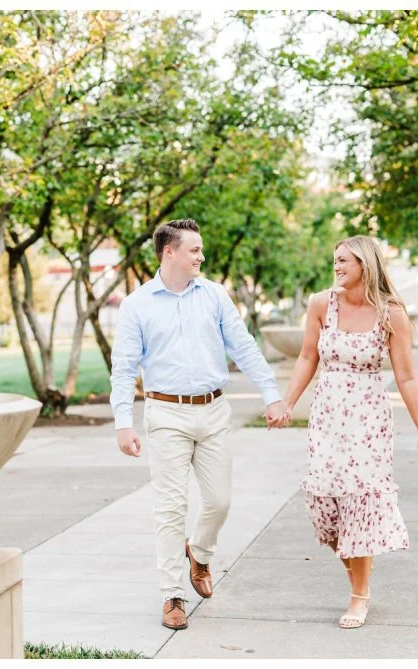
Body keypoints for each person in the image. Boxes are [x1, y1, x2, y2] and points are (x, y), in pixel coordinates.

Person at [110, 219, 289, 631]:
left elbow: (243, 345)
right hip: (166, 413)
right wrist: (123, 421)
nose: (201, 257)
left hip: (213, 411)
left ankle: (201, 554)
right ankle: (172, 594)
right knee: (170, 508)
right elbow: (123, 369)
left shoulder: (213, 295)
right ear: (169, 252)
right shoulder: (137, 305)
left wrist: (270, 393)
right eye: (194, 250)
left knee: (219, 501)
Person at [271, 235, 418, 629]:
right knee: (325, 506)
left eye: (344, 260)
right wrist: (288, 403)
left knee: (359, 504)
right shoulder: (321, 304)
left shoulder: (390, 314)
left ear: (365, 263)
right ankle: (358, 579)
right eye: (335, 260)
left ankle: (359, 596)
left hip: (369, 420)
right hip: (327, 418)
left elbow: (407, 377)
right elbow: (308, 356)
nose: (337, 266)